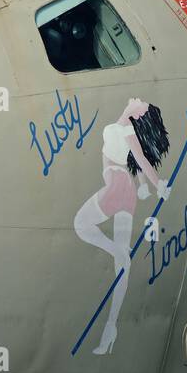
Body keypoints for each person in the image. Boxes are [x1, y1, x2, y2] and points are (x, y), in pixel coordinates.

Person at [72, 99, 171, 355]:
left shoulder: (125, 128)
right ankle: (111, 327)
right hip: (127, 190)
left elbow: (140, 158)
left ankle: (116, 251)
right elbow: (136, 164)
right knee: (122, 267)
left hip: (116, 186)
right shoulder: (124, 127)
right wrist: (144, 188)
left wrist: (158, 184)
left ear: (139, 115)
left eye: (143, 106)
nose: (139, 101)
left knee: (81, 224)